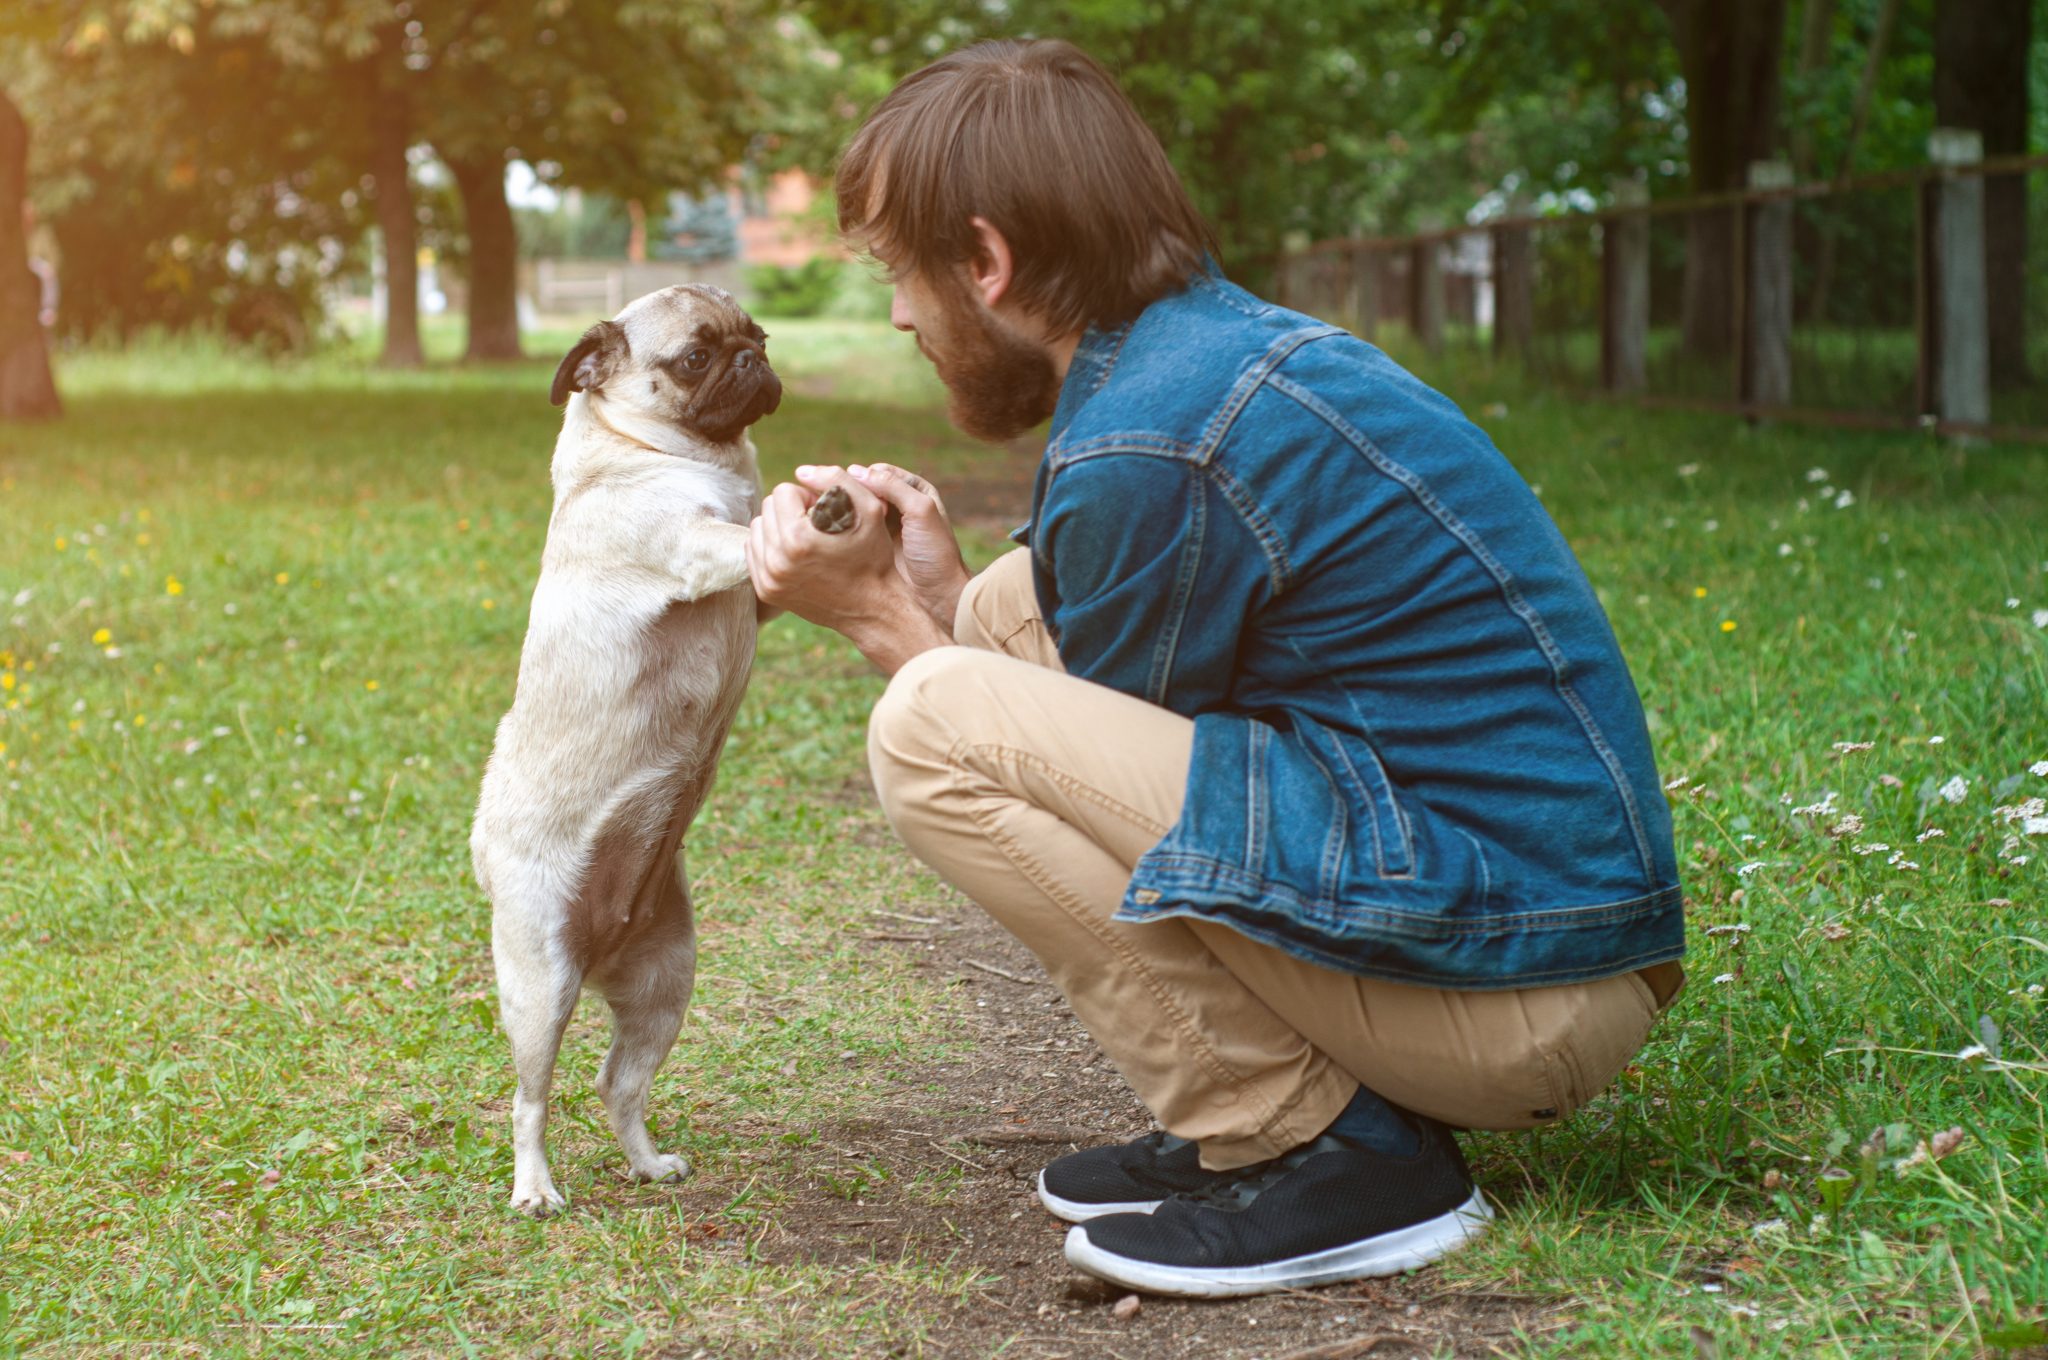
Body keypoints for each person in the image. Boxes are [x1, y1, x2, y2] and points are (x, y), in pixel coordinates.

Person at [746, 38, 1685, 1299]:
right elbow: (1107, 732)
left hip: (1515, 991)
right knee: (1008, 602)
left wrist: (877, 624)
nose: (902, 316)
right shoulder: (1192, 358)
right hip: (1523, 924)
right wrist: (931, 597)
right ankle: (1297, 1113)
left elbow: (1098, 801)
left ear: (985, 261)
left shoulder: (1148, 436)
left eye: (899, 275)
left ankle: (1320, 1138)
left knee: (927, 719)